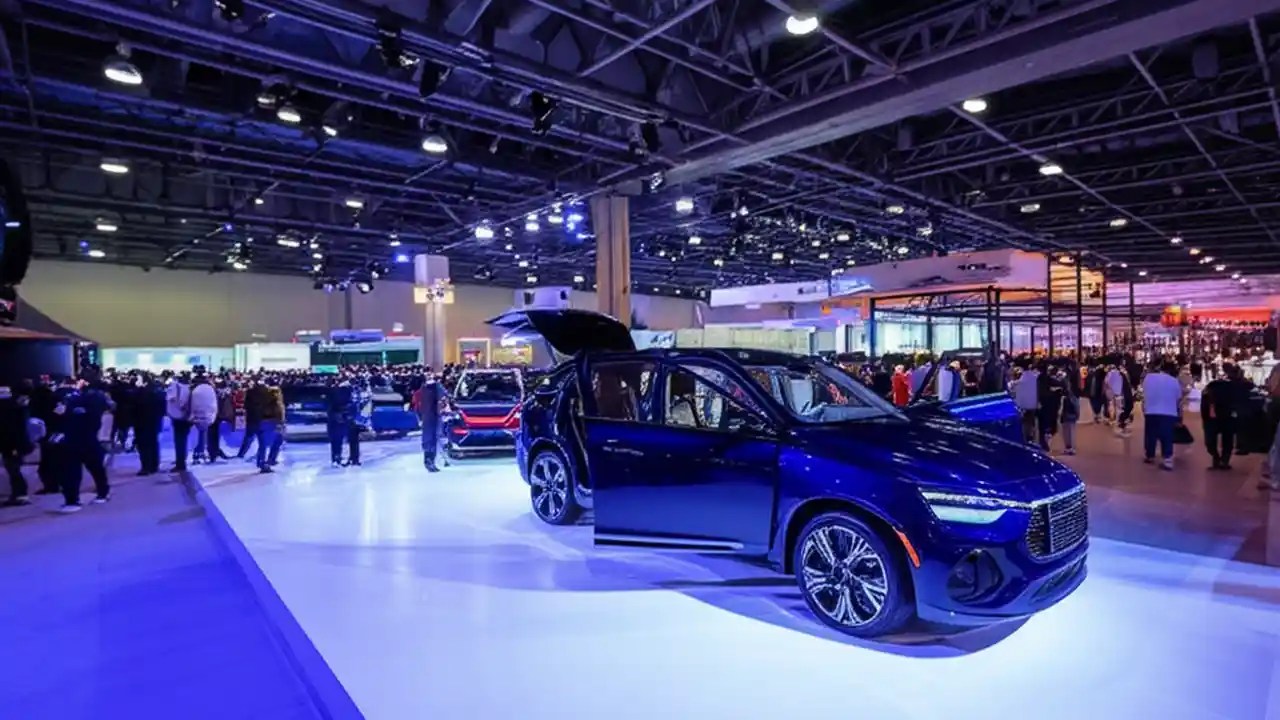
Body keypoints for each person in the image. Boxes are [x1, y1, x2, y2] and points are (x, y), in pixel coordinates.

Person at [1201, 364, 1245, 470]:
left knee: (1220, 439)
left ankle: (1220, 460)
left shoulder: (1220, 386)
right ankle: (1221, 459)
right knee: (1223, 439)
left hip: (1223, 414)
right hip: (1220, 415)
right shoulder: (1216, 386)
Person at [1142, 361, 1182, 471]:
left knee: (1151, 434)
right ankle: (1167, 459)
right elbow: (1178, 398)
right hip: (1169, 412)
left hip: (1151, 410)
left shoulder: (1149, 378)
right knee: (1167, 435)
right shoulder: (1174, 381)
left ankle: (1150, 455)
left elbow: (1144, 392)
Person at [0, 384, 33, 506]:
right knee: (13, 468)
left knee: (13, 468)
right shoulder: (18, 407)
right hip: (15, 443)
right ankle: (19, 494)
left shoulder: (10, 410)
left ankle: (20, 495)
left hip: (12, 444)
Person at [134, 373, 166, 476]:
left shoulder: (141, 392)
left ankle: (145, 467)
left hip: (142, 421)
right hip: (154, 421)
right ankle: (154, 465)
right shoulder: (158, 391)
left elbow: (136, 406)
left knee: (143, 445)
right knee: (153, 443)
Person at [417, 373, 448, 472]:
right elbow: (444, 398)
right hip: (432, 416)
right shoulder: (436, 388)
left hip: (428, 416)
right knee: (432, 438)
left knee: (429, 439)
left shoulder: (423, 389)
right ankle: (430, 461)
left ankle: (429, 461)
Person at [255, 378, 285, 473]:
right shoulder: (276, 402)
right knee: (271, 443)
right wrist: (281, 422)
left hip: (264, 422)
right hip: (272, 423)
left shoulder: (262, 400)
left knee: (266, 444)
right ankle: (266, 462)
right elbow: (279, 413)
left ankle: (265, 461)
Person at [166, 373, 194, 472]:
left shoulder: (176, 387)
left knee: (179, 441)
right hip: (188, 417)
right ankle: (182, 460)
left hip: (178, 417)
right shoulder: (191, 387)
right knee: (183, 440)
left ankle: (180, 463)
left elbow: (170, 398)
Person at [189, 374, 218, 464]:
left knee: (200, 434)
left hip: (197, 416)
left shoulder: (195, 390)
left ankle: (198, 452)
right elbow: (214, 404)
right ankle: (200, 452)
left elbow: (191, 404)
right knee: (203, 434)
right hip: (208, 416)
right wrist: (213, 415)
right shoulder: (210, 389)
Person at [325, 379, 353, 467]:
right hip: (335, 420)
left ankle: (336, 457)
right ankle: (336, 457)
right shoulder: (339, 394)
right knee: (337, 440)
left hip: (335, 419)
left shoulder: (334, 393)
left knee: (336, 440)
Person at [1012, 362, 1041, 444]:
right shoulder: (1033, 378)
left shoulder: (1016, 383)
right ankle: (1030, 438)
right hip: (1030, 405)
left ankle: (1027, 438)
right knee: (1030, 423)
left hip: (1023, 405)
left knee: (1025, 423)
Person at [1060, 364, 1080, 455]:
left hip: (1066, 410)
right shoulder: (1075, 394)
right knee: (1071, 428)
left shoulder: (1066, 393)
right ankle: (1070, 447)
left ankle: (1068, 446)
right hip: (1071, 410)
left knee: (1066, 428)